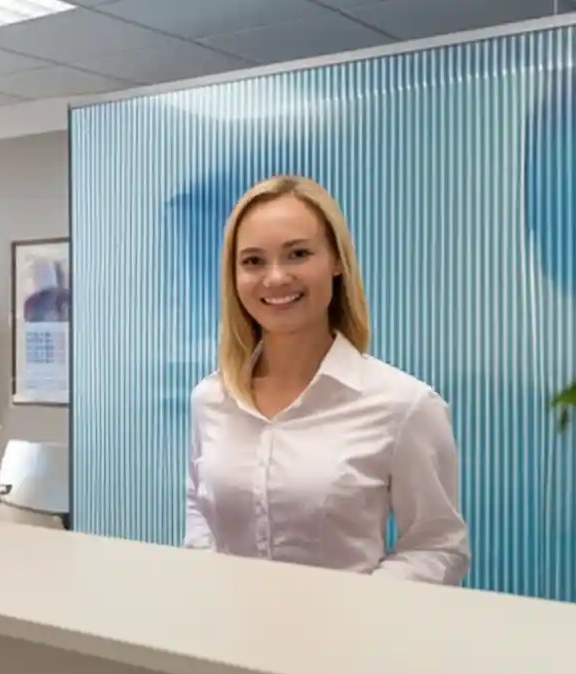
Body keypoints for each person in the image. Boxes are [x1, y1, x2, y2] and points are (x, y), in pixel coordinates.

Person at [185, 175, 470, 584]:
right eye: (253, 261)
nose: (276, 278)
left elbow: (438, 545)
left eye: (298, 254)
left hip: (348, 642)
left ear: (337, 261)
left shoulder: (404, 404)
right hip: (219, 638)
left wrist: (354, 607)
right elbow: (199, 509)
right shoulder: (210, 398)